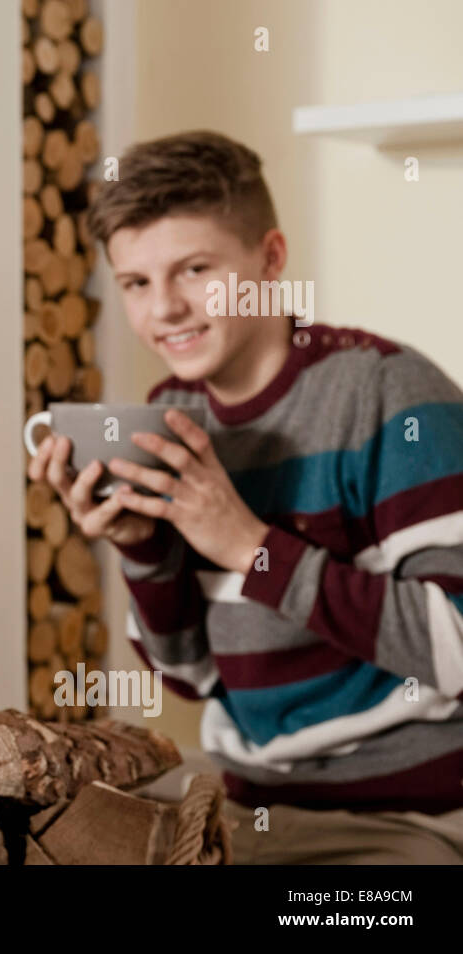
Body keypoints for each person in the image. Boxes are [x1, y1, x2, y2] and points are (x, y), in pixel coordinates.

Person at [30, 130, 463, 863]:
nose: (163, 309)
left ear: (270, 259)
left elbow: (453, 647)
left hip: (402, 818)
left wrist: (248, 546)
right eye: (135, 283)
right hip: (238, 801)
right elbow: (193, 675)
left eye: (195, 270)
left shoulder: (392, 395)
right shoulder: (170, 408)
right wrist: (143, 550)